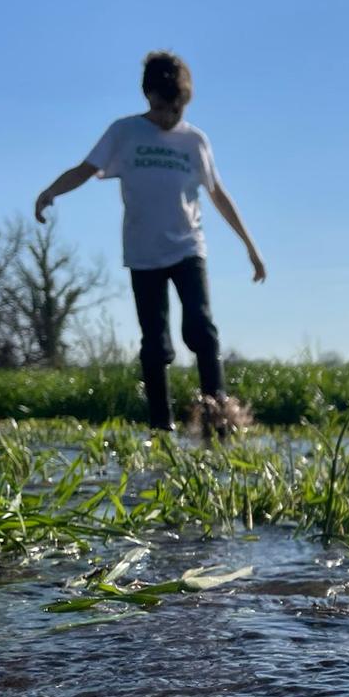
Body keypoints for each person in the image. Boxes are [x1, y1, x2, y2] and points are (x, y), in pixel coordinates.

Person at [33, 50, 265, 434]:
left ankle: (218, 419)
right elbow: (86, 169)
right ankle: (162, 426)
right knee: (156, 345)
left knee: (201, 330)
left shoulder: (195, 141)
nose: (169, 118)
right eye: (162, 110)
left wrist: (251, 248)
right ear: (148, 97)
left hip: (189, 247)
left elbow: (219, 194)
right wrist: (51, 191)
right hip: (143, 254)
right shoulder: (124, 132)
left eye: (176, 111)